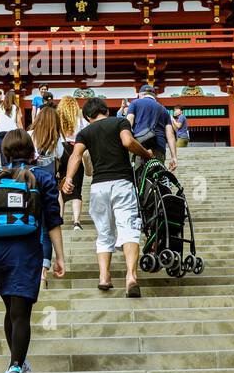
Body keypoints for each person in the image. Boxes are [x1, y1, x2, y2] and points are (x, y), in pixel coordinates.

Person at [0, 127, 65, 373]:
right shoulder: (42, 178)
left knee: (11, 307)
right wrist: (60, 257)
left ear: (5, 151)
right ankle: (15, 368)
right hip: (25, 249)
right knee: (20, 311)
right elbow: (53, 222)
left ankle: (17, 363)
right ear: (32, 151)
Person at [63, 96, 152, 297]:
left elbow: (76, 156)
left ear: (87, 117)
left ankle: (104, 277)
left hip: (98, 187)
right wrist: (146, 153)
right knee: (128, 228)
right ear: (107, 111)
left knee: (104, 233)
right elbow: (128, 141)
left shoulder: (84, 132)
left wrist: (68, 178)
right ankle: (130, 277)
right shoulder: (119, 121)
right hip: (122, 183)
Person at [30, 103, 65, 286]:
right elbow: (59, 155)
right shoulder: (56, 139)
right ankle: (43, 271)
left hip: (29, 185)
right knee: (47, 227)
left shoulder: (29, 136)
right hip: (48, 185)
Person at [126, 84, 177, 168]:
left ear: (140, 94)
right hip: (159, 147)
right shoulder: (164, 110)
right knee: (156, 175)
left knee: (137, 175)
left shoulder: (135, 103)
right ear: (154, 96)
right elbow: (170, 135)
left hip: (139, 146)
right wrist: (174, 157)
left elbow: (128, 123)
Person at [57, 94, 88, 231]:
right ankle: (76, 222)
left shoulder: (58, 118)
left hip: (60, 151)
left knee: (59, 188)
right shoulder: (80, 119)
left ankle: (60, 218)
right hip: (76, 151)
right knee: (77, 188)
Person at [0, 90, 23, 165]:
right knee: (13, 154)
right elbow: (19, 122)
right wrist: (23, 133)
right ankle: (12, 170)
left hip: (0, 133)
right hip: (12, 133)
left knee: (3, 154)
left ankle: (4, 170)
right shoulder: (16, 108)